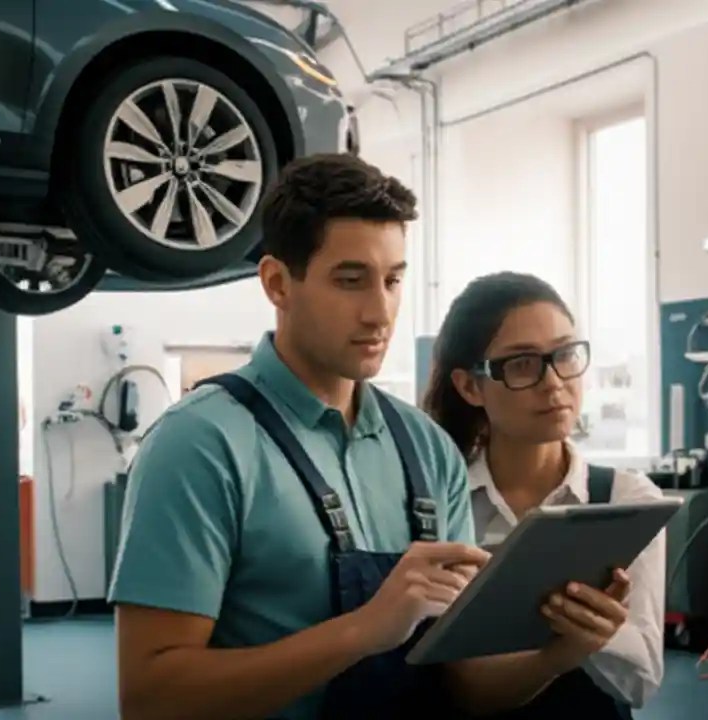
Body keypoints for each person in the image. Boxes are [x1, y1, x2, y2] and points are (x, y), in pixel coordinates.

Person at [107, 154, 630, 720]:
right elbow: (151, 696)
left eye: (393, 280)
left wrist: (558, 654)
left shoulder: (427, 448)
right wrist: (362, 630)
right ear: (278, 283)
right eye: (350, 280)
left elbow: (464, 685)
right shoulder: (200, 445)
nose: (380, 312)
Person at [423, 271, 668, 719]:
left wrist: (599, 635)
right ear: (469, 386)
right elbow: (449, 682)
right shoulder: (440, 502)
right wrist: (556, 653)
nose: (554, 382)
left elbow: (643, 679)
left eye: (565, 355)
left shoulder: (625, 500)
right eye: (522, 364)